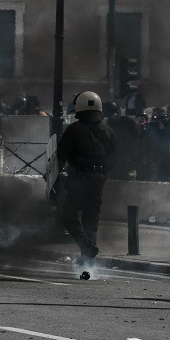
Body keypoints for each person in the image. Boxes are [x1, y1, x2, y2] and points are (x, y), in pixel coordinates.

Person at [57, 91, 118, 265]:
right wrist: (100, 172)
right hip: (99, 179)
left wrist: (54, 174)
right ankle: (87, 260)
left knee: (68, 215)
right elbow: (115, 161)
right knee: (91, 217)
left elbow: (61, 155)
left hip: (79, 178)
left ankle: (87, 247)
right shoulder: (109, 132)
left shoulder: (74, 129)